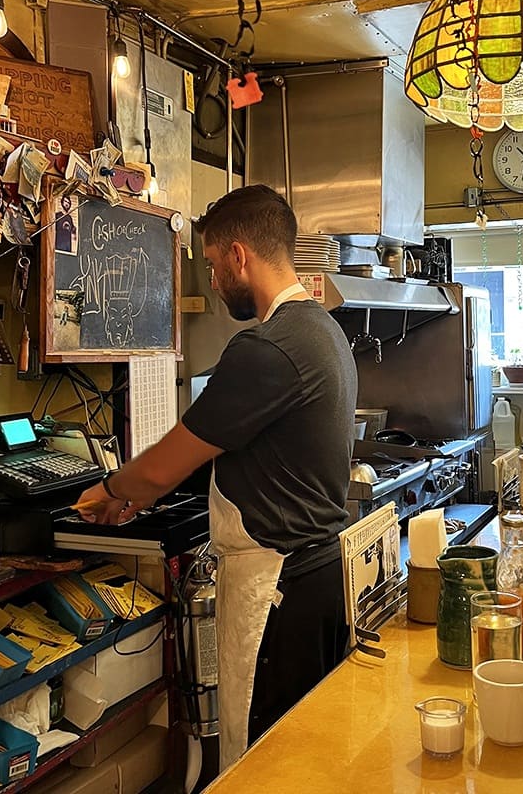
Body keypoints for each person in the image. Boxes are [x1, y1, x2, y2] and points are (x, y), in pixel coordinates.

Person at [75, 184, 357, 771]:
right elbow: (229, 452)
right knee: (303, 759)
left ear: (238, 255)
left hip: (274, 587)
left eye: (210, 265)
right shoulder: (324, 330)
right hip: (317, 577)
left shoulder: (265, 348)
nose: (211, 280)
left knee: (260, 763)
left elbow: (166, 462)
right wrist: (141, 493)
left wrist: (110, 491)